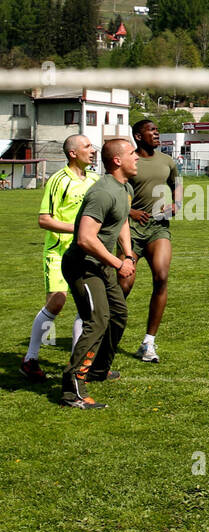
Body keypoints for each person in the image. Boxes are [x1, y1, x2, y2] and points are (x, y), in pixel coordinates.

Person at [60, 138, 139, 409]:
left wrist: (127, 254)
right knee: (97, 319)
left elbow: (122, 221)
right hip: (83, 265)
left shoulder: (124, 187)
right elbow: (84, 238)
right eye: (132, 153)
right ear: (117, 160)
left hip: (101, 264)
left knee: (118, 316)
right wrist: (118, 264)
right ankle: (72, 389)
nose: (137, 157)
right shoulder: (103, 192)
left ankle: (98, 370)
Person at [20, 135, 97, 382]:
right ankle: (31, 359)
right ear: (73, 153)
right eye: (87, 146)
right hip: (58, 252)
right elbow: (44, 219)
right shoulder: (58, 180)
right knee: (56, 303)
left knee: (86, 307)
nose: (92, 150)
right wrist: (78, 230)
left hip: (85, 253)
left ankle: (77, 363)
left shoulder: (95, 180)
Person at [122, 119, 179, 364]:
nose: (156, 133)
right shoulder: (128, 160)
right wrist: (130, 212)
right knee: (123, 286)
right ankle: (101, 330)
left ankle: (148, 343)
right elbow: (114, 190)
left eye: (157, 130)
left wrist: (176, 204)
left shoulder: (167, 161)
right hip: (131, 231)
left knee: (162, 277)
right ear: (138, 135)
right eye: (151, 130)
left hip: (158, 228)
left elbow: (177, 184)